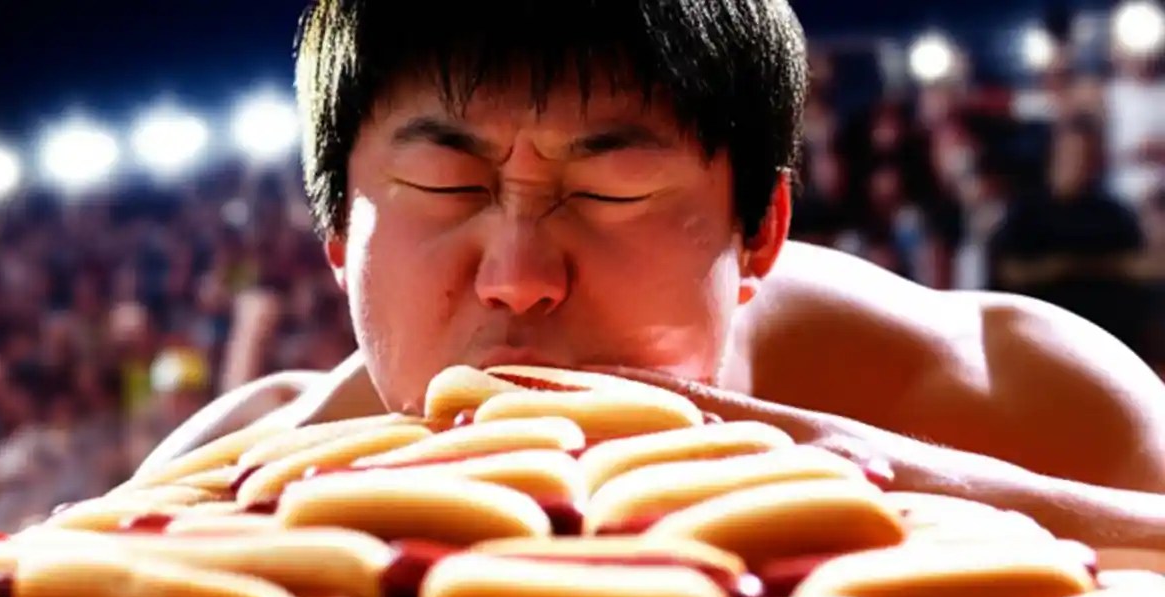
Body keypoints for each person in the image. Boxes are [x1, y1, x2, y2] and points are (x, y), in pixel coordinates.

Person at [150, 0, 1165, 549]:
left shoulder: (1017, 396)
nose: (518, 279)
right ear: (337, 234)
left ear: (758, 231)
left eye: (608, 191)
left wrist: (866, 475)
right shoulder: (219, 491)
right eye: (445, 185)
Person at [992, 115, 1149, 358]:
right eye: (1071, 155)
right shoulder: (1027, 212)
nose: (1078, 163)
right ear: (1054, 156)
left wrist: (1072, 266)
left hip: (1105, 341)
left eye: (1086, 156)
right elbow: (1010, 272)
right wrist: (1060, 269)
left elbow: (1141, 267)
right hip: (1040, 338)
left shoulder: (1114, 214)